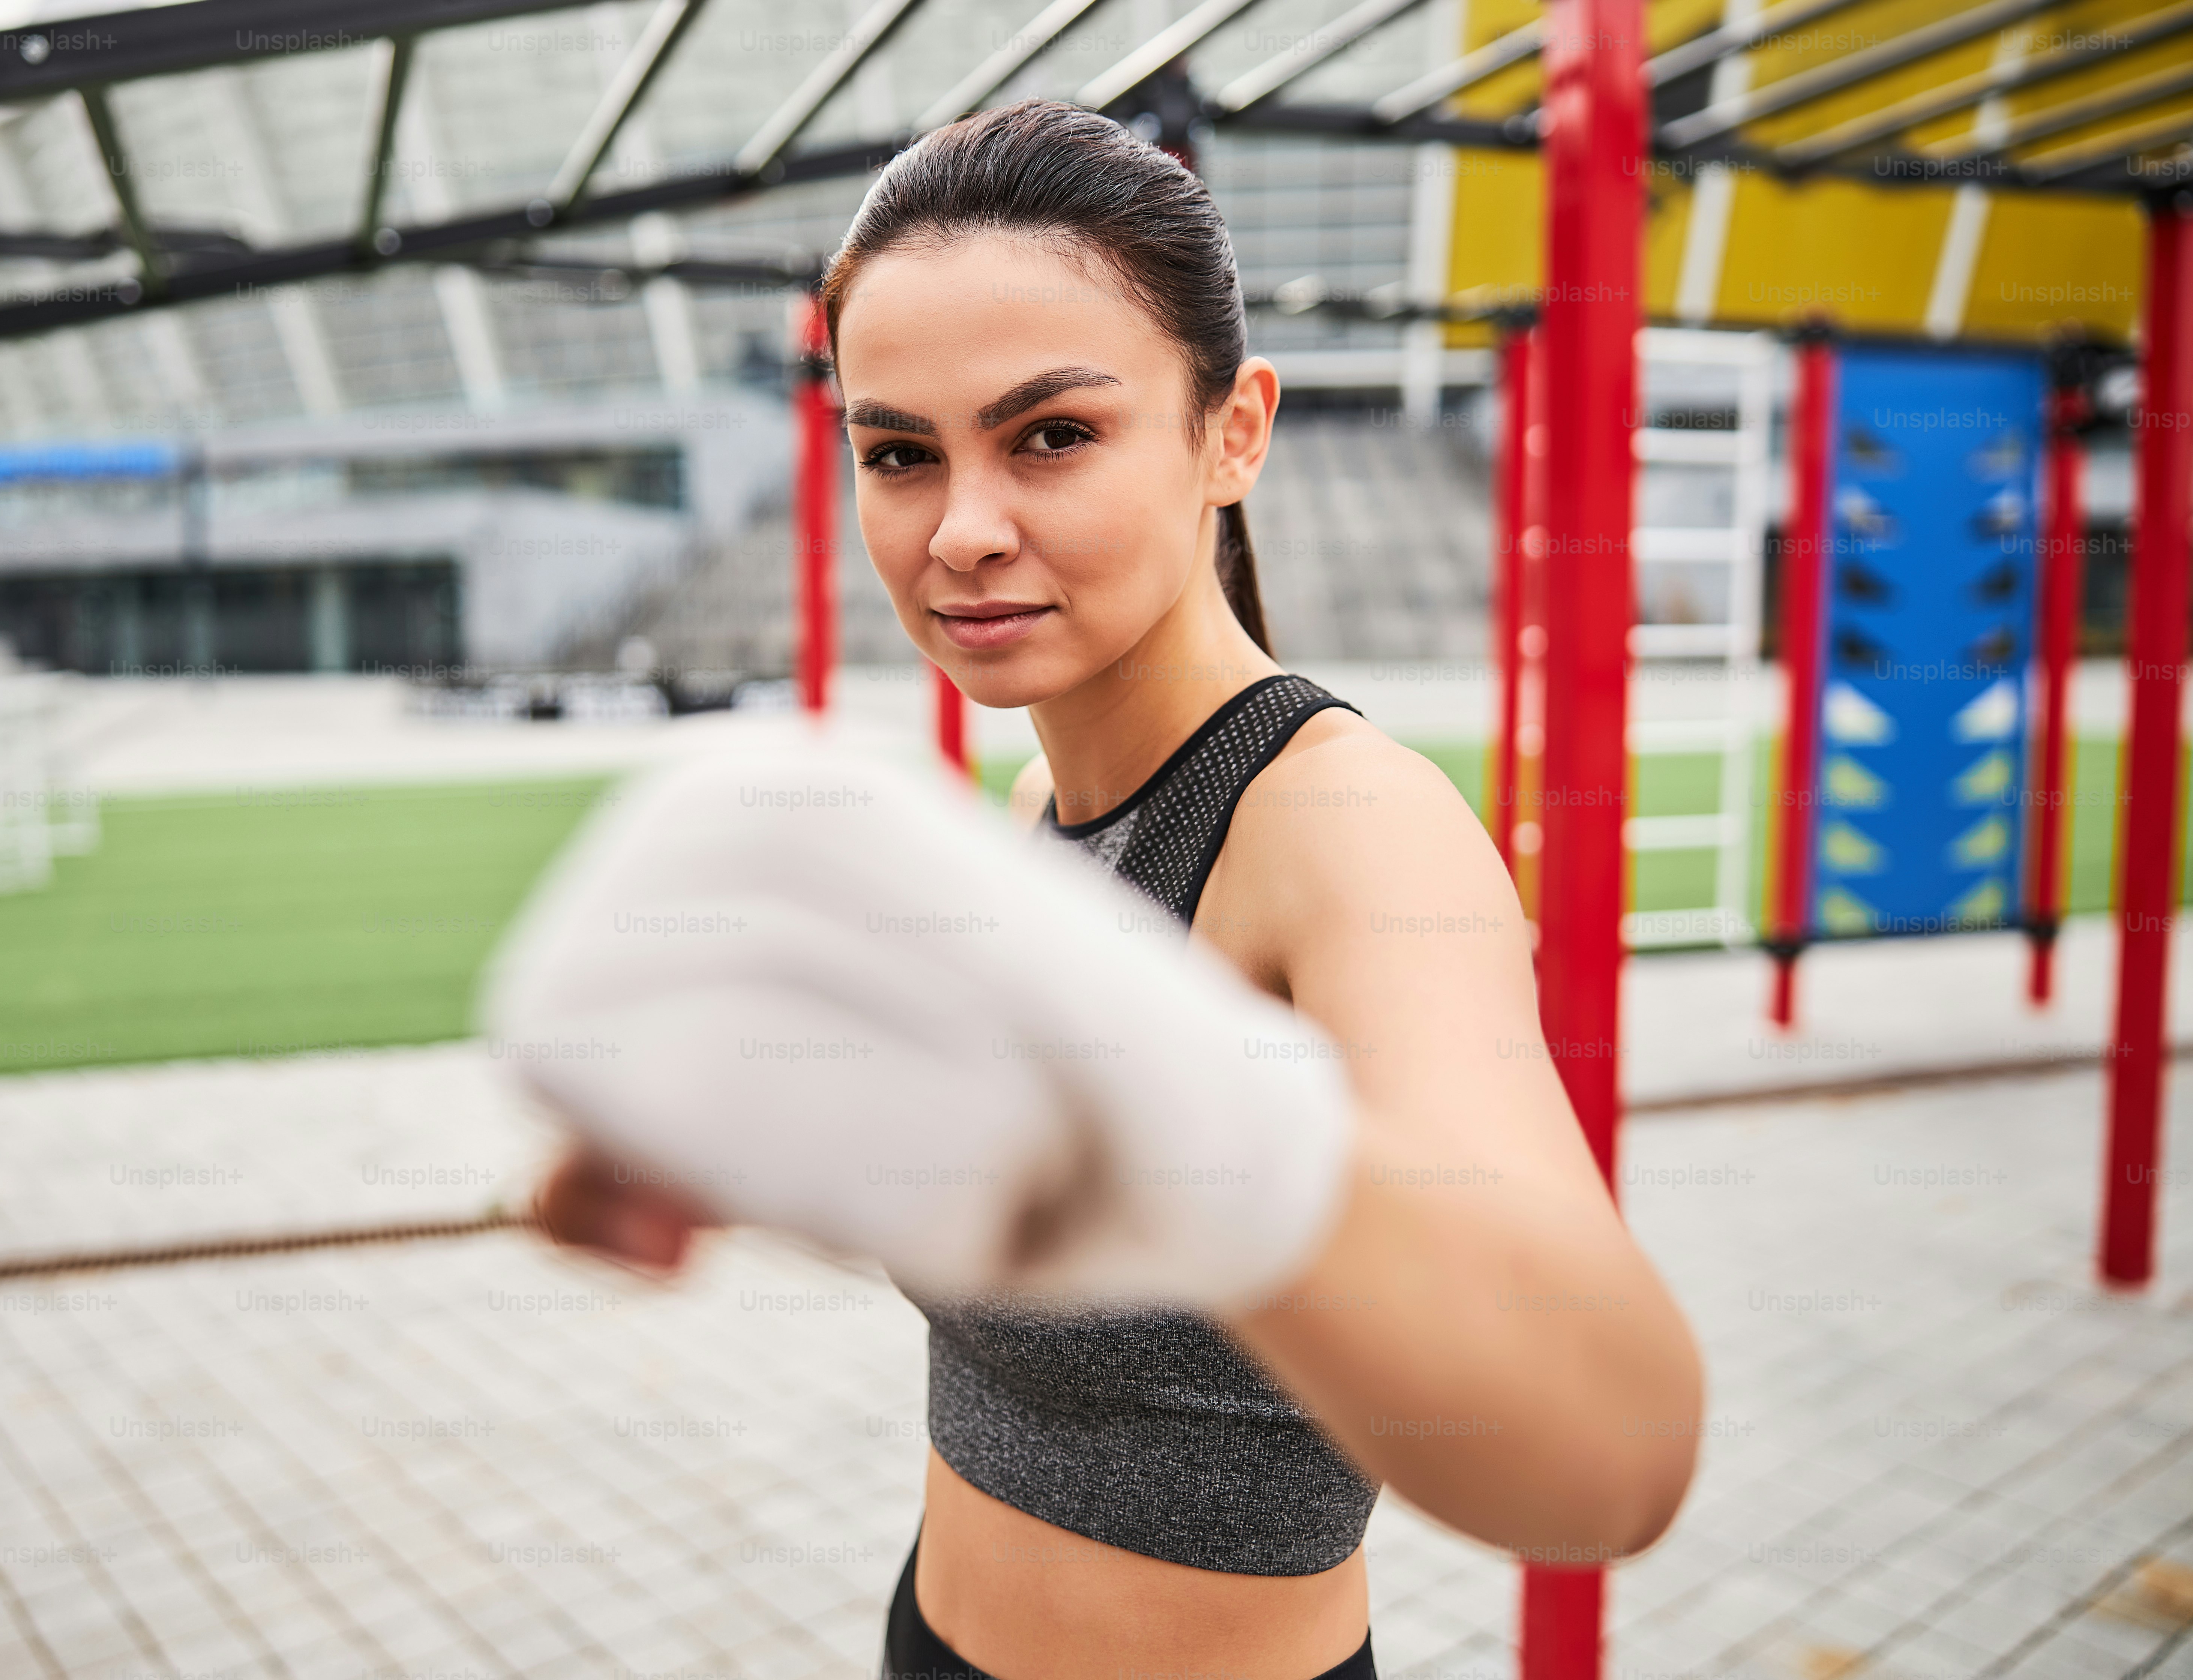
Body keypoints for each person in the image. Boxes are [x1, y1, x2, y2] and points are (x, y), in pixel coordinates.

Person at [519, 100, 1702, 1680]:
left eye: (1054, 435)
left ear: (1235, 430)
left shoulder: (1349, 822)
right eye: (899, 453)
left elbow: (1611, 1449)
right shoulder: (1036, 802)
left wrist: (1202, 1119)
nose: (966, 531)